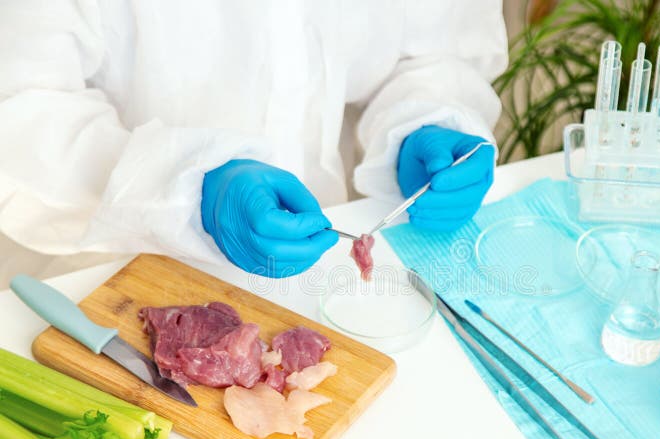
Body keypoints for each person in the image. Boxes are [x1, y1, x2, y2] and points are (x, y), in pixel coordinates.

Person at [0, 1, 508, 280]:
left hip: (311, 265)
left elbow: (432, 52)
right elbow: (22, 105)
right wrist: (186, 187)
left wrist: (427, 118)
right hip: (102, 269)